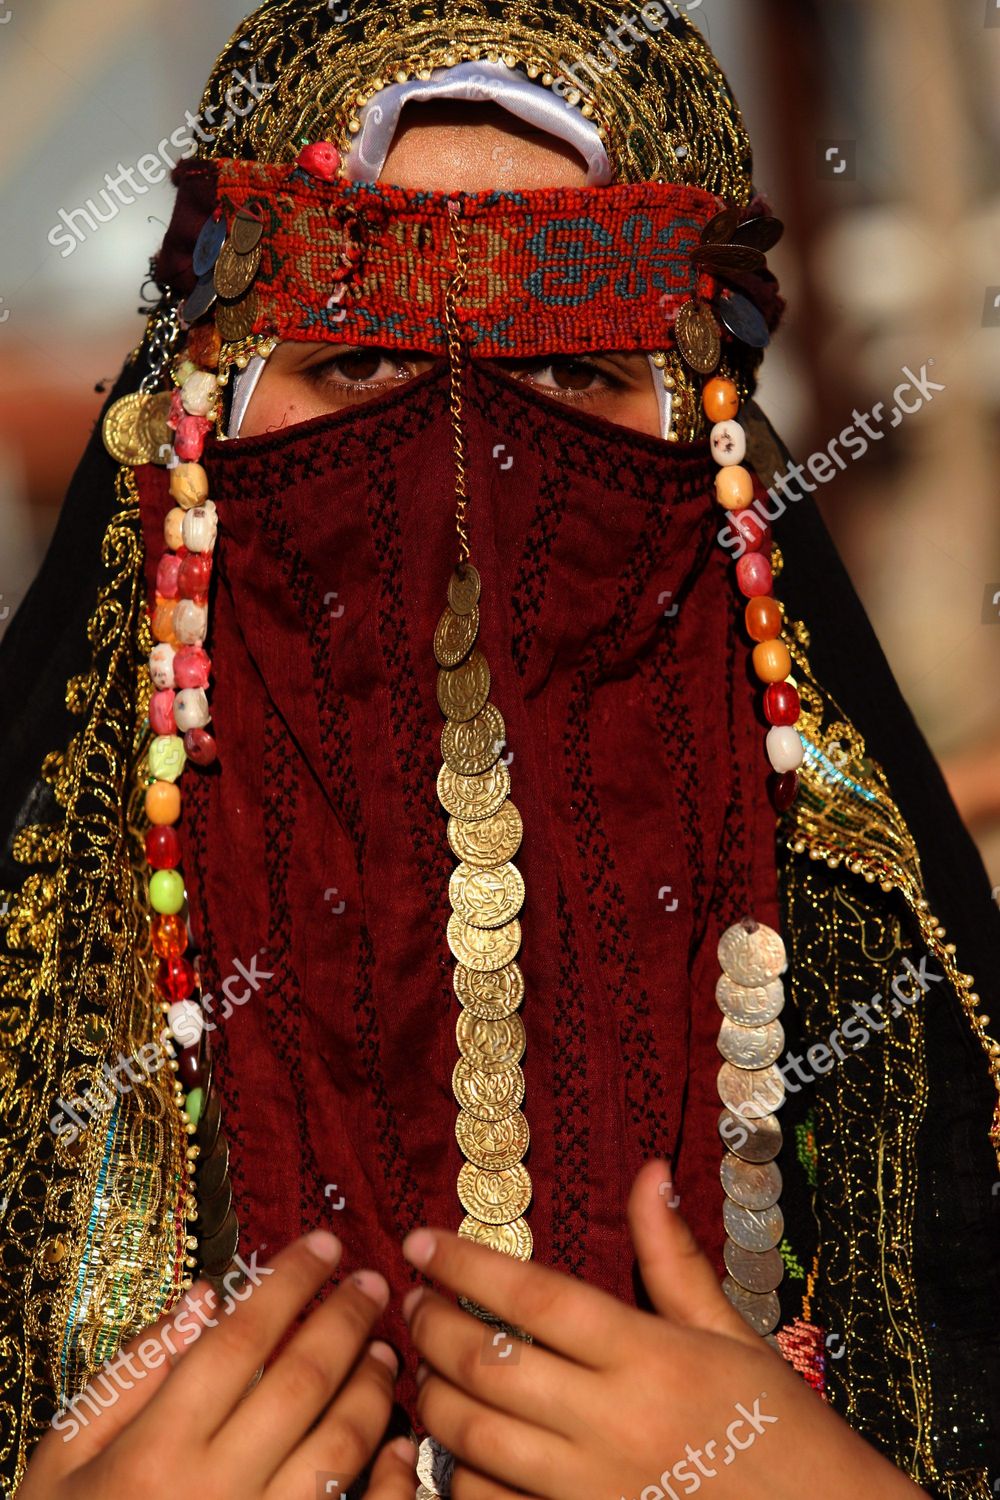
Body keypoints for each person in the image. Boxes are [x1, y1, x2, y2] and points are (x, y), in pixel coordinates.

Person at [1, 3, 998, 1497]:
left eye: (573, 376)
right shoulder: (33, 1012)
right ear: (198, 423)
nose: (464, 476)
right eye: (361, 361)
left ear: (712, 458)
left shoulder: (903, 1036)